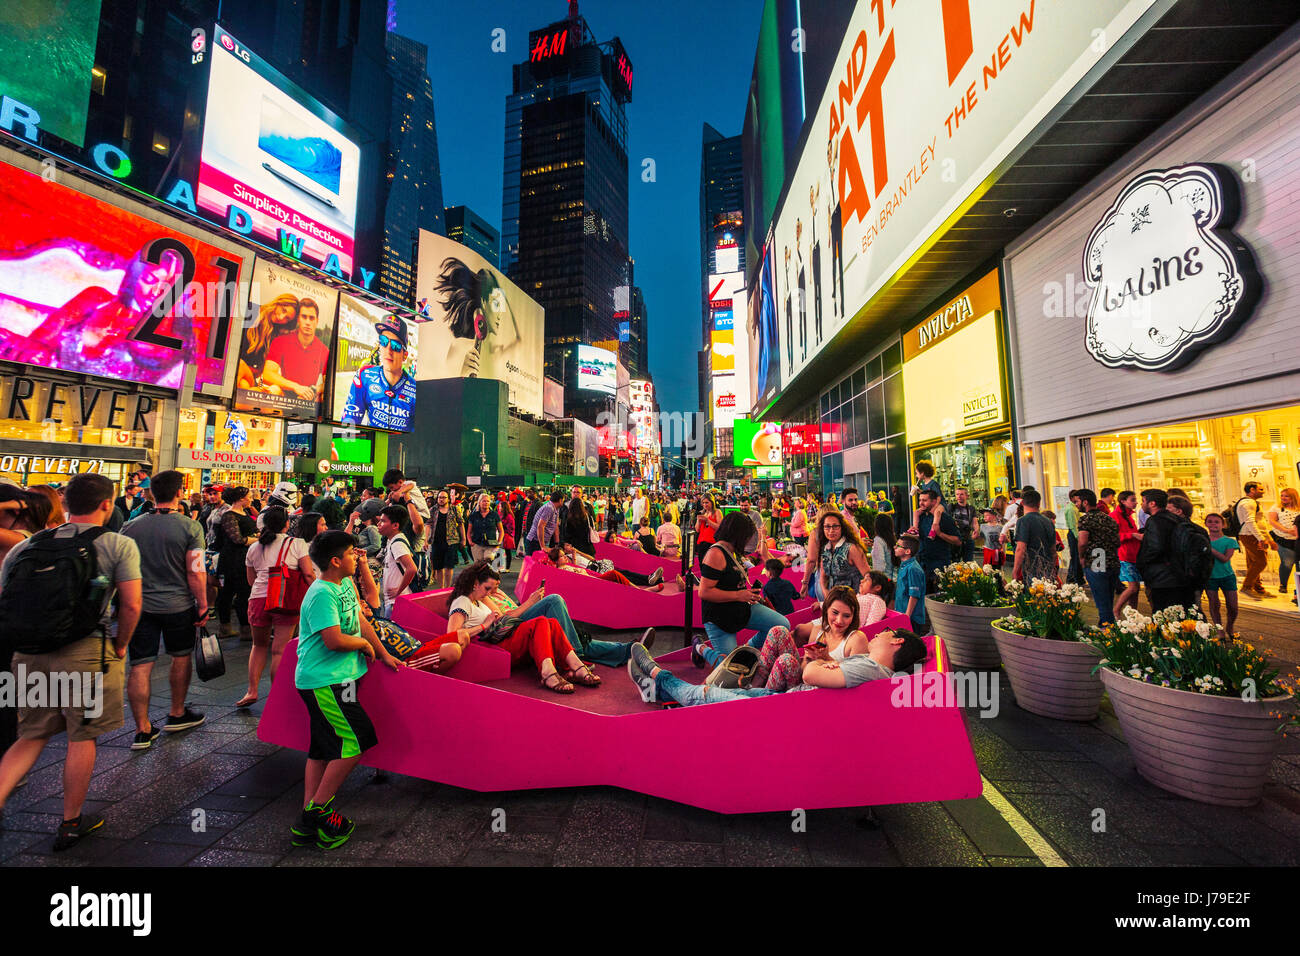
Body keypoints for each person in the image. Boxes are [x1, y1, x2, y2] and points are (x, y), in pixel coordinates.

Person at [0, 473, 141, 851]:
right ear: (107, 505)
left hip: (28, 653)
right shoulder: (117, 544)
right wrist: (121, 644)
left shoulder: (26, 546)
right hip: (85, 651)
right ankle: (70, 822)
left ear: (64, 505)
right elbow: (130, 604)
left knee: (30, 735)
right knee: (83, 736)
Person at [289, 530, 399, 850]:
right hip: (325, 681)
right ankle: (316, 812)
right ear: (336, 561)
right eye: (352, 553)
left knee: (323, 748)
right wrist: (364, 645)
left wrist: (382, 652)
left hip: (344, 678)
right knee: (356, 739)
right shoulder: (322, 593)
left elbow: (362, 622)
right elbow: (334, 639)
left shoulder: (345, 583)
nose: (357, 556)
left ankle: (308, 822)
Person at [627, 626, 927, 707]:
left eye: (885, 634)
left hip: (785, 711)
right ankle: (655, 688)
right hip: (785, 700)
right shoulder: (871, 666)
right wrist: (828, 666)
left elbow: (810, 673)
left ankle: (654, 673)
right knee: (778, 633)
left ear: (897, 642)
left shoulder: (872, 670)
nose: (878, 634)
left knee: (702, 696)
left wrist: (822, 663)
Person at [120, 470, 207, 749]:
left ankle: (142, 729)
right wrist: (203, 604)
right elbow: (196, 572)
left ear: (151, 493)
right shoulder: (190, 527)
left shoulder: (131, 526)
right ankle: (177, 712)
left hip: (139, 606)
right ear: (179, 492)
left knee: (140, 665)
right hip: (178, 605)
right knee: (180, 658)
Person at [445, 561, 596, 694]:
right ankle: (548, 672)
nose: (490, 593)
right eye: (487, 588)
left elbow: (504, 616)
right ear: (475, 584)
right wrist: (484, 624)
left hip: (503, 635)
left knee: (552, 623)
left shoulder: (479, 599)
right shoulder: (462, 602)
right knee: (541, 621)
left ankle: (575, 666)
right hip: (494, 644)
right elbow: (452, 635)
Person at [692, 513, 791, 669]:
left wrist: (748, 594)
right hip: (720, 617)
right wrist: (739, 595)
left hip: (741, 608)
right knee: (731, 669)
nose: (747, 540)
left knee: (780, 625)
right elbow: (704, 592)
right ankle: (700, 647)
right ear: (737, 534)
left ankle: (743, 650)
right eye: (746, 536)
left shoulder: (733, 551)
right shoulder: (716, 553)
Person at [341, 316, 417, 430]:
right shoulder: (364, 376)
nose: (388, 350)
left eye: (396, 346)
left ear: (404, 355)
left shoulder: (416, 390)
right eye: (384, 341)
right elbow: (349, 422)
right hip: (371, 445)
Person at [1136, 489, 1194, 612]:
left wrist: (1143, 563)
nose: (1141, 505)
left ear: (1152, 503)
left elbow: (1156, 547)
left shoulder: (1155, 520)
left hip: (1162, 577)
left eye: (1143, 501)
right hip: (1178, 574)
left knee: (1162, 613)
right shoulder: (1176, 519)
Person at [262, 297, 329, 402]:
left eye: (311, 318)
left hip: (309, 398)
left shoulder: (323, 350)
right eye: (304, 317)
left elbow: (328, 383)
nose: (308, 322)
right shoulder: (281, 341)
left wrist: (314, 390)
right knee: (274, 390)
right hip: (285, 396)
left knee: (323, 397)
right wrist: (296, 387)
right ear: (298, 319)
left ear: (317, 321)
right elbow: (267, 374)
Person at [215, 486, 257, 638]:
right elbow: (237, 539)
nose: (251, 498)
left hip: (243, 558)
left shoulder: (243, 513)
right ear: (241, 499)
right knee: (228, 594)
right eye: (249, 496)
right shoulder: (229, 515)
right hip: (232, 560)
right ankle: (226, 626)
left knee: (243, 593)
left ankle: (244, 627)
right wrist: (256, 539)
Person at [1074, 489, 1120, 626]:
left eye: (1077, 501)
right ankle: (1106, 624)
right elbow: (1117, 541)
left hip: (1096, 559)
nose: (1076, 505)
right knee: (1108, 597)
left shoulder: (1086, 519)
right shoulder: (1109, 518)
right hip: (1112, 560)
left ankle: (1107, 628)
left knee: (1101, 599)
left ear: (1085, 502)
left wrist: (1081, 557)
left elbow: (1082, 542)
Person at [237, 292, 299, 390]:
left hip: (249, 375)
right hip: (233, 371)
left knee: (241, 367)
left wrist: (260, 386)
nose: (281, 317)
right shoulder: (250, 310)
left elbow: (261, 371)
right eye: (283, 310)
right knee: (243, 384)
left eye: (287, 318)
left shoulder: (275, 335)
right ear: (278, 302)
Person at [907, 489, 961, 589]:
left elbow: (958, 541)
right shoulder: (920, 517)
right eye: (920, 500)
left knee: (937, 597)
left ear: (934, 501)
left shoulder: (944, 518)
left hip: (939, 564)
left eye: (924, 500)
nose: (921, 503)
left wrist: (940, 534)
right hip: (921, 563)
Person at [811, 509, 869, 596]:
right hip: (834, 600)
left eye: (835, 526)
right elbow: (822, 577)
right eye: (827, 526)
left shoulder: (852, 549)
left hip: (853, 600)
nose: (831, 531)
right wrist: (826, 594)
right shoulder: (824, 548)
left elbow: (868, 577)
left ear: (842, 527)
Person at [1011, 489, 1060, 585]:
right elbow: (1053, 549)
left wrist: (1015, 570)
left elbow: (1020, 548)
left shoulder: (1023, 521)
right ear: (1039, 503)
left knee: (1033, 595)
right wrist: (1053, 568)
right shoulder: (1048, 521)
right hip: (1047, 565)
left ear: (1022, 503)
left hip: (1031, 566)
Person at [377, 505, 417, 619]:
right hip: (395, 599)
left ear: (395, 525)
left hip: (397, 601)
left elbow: (412, 568)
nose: (378, 524)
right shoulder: (393, 540)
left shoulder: (397, 543)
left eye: (383, 521)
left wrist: (398, 592)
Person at [1204, 511, 1239, 635]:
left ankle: (1230, 626)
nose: (1213, 524)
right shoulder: (1203, 540)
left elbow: (1225, 558)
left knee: (1233, 606)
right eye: (1210, 522)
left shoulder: (1230, 541)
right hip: (1210, 577)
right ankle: (1219, 630)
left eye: (1217, 522)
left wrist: (1210, 548)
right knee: (1214, 603)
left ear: (1223, 525)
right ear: (1206, 524)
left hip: (1227, 576)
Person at [1112, 490, 1144, 619]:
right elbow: (1114, 536)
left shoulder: (1128, 516)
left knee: (1135, 589)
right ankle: (1116, 610)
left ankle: (1133, 615)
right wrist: (1132, 535)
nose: (1136, 503)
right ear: (1123, 501)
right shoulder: (1116, 515)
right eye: (1133, 500)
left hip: (1133, 554)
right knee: (1133, 587)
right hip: (1125, 555)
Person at [1266, 487, 1299, 596]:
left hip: (1297, 539)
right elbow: (1272, 521)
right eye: (1282, 495)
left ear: (1293, 497)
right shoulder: (1277, 508)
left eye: (1286, 496)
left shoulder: (1298, 508)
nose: (1283, 498)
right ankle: (1283, 585)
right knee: (1288, 562)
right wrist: (1286, 530)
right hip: (1283, 538)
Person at [428, 490, 463, 589]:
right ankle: (441, 588)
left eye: (444, 497)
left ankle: (448, 588)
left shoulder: (454, 509)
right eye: (440, 497)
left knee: (449, 566)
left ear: (448, 499)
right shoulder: (433, 510)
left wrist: (463, 539)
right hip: (436, 542)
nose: (441, 499)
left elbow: (461, 524)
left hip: (451, 542)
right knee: (438, 567)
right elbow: (428, 525)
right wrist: (426, 539)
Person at [893, 534, 927, 633]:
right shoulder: (904, 566)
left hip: (911, 618)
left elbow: (914, 595)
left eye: (898, 546)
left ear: (908, 551)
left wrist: (907, 616)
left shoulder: (913, 569)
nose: (895, 547)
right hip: (902, 614)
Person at [558, 486, 596, 559]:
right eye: (574, 492)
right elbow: (559, 523)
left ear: (582, 494)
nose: (576, 494)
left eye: (578, 492)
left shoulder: (587, 507)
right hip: (568, 544)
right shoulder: (564, 506)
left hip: (585, 544)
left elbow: (593, 522)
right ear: (571, 493)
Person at [525, 489, 563, 558]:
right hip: (534, 542)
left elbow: (555, 526)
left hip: (540, 542)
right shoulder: (549, 508)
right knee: (534, 566)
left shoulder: (556, 509)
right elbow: (540, 526)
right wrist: (542, 546)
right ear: (560, 500)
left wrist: (557, 543)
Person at [467, 493, 502, 565]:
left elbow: (501, 531)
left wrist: (499, 542)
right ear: (479, 502)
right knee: (478, 567)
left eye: (488, 501)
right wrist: (470, 541)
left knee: (488, 564)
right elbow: (469, 531)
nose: (486, 503)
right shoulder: (473, 515)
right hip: (477, 544)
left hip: (491, 544)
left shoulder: (494, 514)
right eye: (483, 501)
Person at [948, 488, 979, 564]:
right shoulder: (951, 507)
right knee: (955, 562)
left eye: (961, 494)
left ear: (967, 496)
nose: (959, 496)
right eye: (957, 494)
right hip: (955, 537)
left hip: (967, 537)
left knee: (969, 562)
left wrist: (976, 530)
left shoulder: (971, 508)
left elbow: (975, 522)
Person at [1063, 490, 1083, 584]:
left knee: (1075, 556)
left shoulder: (1073, 507)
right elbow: (1073, 525)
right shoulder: (1071, 509)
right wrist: (1078, 537)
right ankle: (1077, 579)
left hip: (1074, 533)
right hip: (1074, 534)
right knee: (1075, 557)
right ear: (1072, 498)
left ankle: (1072, 578)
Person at [870, 511, 896, 579]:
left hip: (884, 581)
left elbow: (879, 566)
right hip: (894, 578)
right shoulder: (892, 539)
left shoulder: (878, 540)